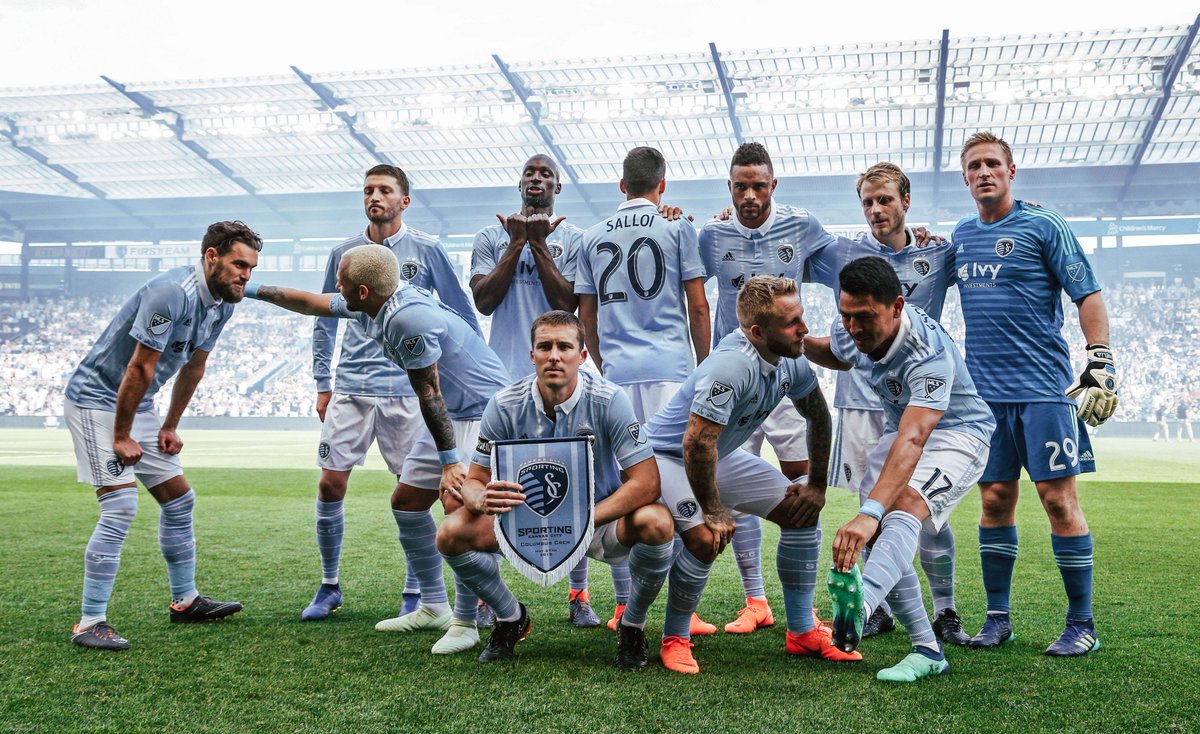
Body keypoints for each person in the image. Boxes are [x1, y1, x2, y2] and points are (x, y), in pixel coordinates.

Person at [247, 244, 510, 655]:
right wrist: (250, 287)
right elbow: (311, 302)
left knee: (460, 508)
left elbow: (430, 391)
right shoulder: (375, 302)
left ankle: (467, 621)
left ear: (364, 291)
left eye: (343, 279)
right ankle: (432, 605)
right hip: (450, 409)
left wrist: (449, 464)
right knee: (406, 502)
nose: (337, 284)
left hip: (482, 412)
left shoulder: (408, 319)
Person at [435, 311, 675, 668]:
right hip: (527, 526)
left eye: (564, 346)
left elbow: (647, 481)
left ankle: (632, 624)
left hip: (599, 521)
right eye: (544, 346)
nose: (554, 355)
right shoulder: (503, 404)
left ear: (582, 356)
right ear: (532, 355)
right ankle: (510, 616)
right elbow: (474, 479)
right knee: (451, 532)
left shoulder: (610, 399)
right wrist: (480, 498)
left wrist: (587, 516)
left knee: (657, 522)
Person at [645, 275, 858, 674]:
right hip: (664, 459)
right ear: (759, 332)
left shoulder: (791, 359)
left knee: (802, 510)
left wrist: (814, 485)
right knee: (707, 537)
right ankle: (674, 637)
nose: (805, 329)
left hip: (714, 455)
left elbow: (818, 416)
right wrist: (714, 509)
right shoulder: (731, 365)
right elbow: (694, 443)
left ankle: (801, 630)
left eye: (802, 316)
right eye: (792, 323)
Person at [955, 131, 1117, 656]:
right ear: (966, 178)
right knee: (995, 500)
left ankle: (1082, 623)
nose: (983, 173)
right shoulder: (960, 235)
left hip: (1044, 391)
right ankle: (998, 618)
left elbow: (1086, 293)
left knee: (1058, 501)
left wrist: (1101, 357)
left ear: (1011, 170)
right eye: (974, 166)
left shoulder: (1044, 225)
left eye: (992, 164)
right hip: (984, 396)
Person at [65, 220, 261, 650]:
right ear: (211, 257)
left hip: (141, 404)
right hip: (97, 399)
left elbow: (194, 366)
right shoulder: (171, 292)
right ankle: (89, 622)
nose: (246, 275)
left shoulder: (225, 302)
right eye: (238, 265)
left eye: (250, 267)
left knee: (179, 498)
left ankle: (185, 601)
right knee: (119, 506)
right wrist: (121, 435)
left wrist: (170, 425)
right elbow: (139, 368)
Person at [304, 164, 481, 623]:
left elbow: (461, 313)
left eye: (384, 190)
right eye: (368, 190)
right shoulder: (344, 252)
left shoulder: (426, 249)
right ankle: (328, 586)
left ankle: (416, 592)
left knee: (411, 491)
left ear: (404, 200)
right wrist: (323, 381)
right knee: (329, 482)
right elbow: (324, 316)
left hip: (407, 391)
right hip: (351, 386)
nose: (374, 197)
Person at [805, 256, 995, 682]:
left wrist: (869, 513)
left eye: (865, 318)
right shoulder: (851, 323)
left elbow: (916, 438)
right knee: (886, 532)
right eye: (846, 316)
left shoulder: (927, 353)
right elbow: (839, 354)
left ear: (896, 305)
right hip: (898, 427)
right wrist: (793, 339)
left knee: (902, 508)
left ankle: (864, 603)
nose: (853, 327)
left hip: (959, 433)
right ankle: (928, 649)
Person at [808, 162, 969, 645]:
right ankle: (878, 607)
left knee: (925, 513)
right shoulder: (840, 251)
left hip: (920, 395)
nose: (876, 211)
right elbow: (776, 252)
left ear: (906, 202)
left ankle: (945, 609)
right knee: (871, 507)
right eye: (868, 203)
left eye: (885, 201)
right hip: (861, 399)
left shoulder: (939, 252)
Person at [696, 143, 838, 635]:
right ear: (729, 188)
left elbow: (850, 265)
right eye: (741, 186)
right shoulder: (710, 235)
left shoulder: (803, 226)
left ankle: (806, 606)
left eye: (759, 185)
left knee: (801, 483)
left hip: (782, 375)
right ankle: (755, 600)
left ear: (774, 185)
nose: (750, 195)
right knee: (733, 493)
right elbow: (685, 286)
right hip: (734, 381)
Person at [575, 145, 711, 633]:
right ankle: (682, 613)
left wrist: (606, 361)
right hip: (672, 371)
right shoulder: (677, 227)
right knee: (675, 488)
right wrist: (704, 369)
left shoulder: (590, 237)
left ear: (621, 186)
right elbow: (697, 307)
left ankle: (620, 603)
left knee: (620, 486)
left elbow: (585, 318)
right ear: (662, 185)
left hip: (615, 377)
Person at [469, 153, 605, 627]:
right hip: (503, 376)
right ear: (520, 183)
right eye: (530, 173)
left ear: (558, 187)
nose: (537, 179)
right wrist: (516, 244)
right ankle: (490, 601)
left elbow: (567, 303)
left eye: (546, 174)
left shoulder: (575, 238)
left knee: (576, 480)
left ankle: (578, 594)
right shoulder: (491, 236)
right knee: (497, 486)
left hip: (561, 372)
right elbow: (484, 300)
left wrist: (540, 246)